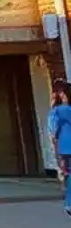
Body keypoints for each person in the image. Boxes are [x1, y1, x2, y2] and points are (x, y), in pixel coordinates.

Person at [49, 81, 71, 215]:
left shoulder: (55, 112)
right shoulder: (64, 110)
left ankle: (68, 203)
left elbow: (52, 131)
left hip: (63, 148)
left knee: (68, 175)